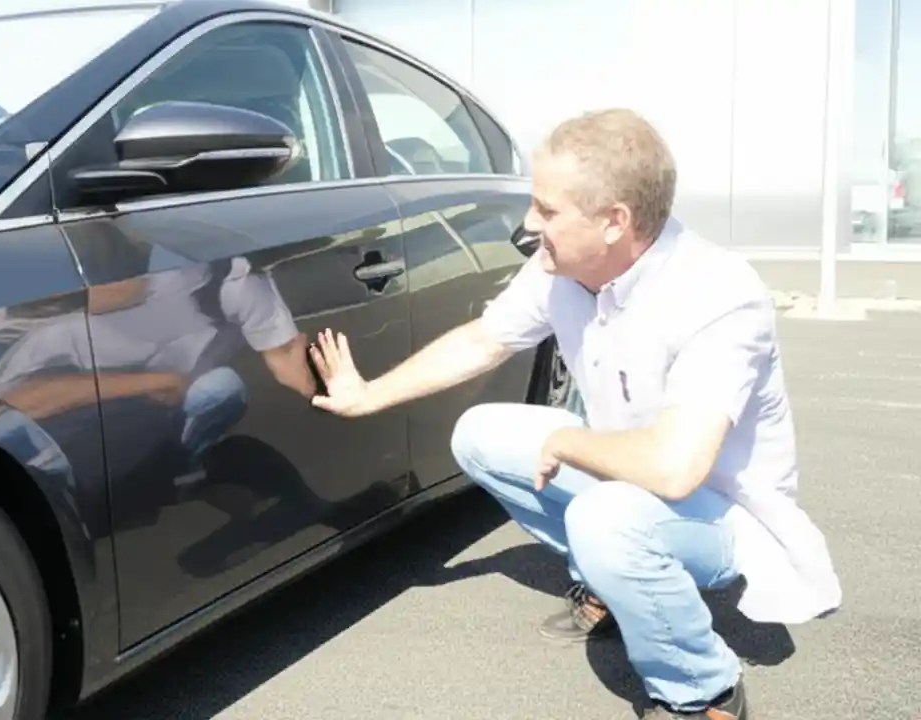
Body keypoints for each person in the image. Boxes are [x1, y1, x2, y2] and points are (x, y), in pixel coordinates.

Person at [307, 108, 841, 720]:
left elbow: (674, 469)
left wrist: (567, 441)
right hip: (630, 471)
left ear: (615, 221)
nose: (530, 224)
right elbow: (485, 340)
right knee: (479, 435)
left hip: (724, 513)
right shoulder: (560, 270)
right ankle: (620, 583)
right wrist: (367, 393)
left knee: (606, 518)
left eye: (549, 210)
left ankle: (701, 692)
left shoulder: (717, 292)